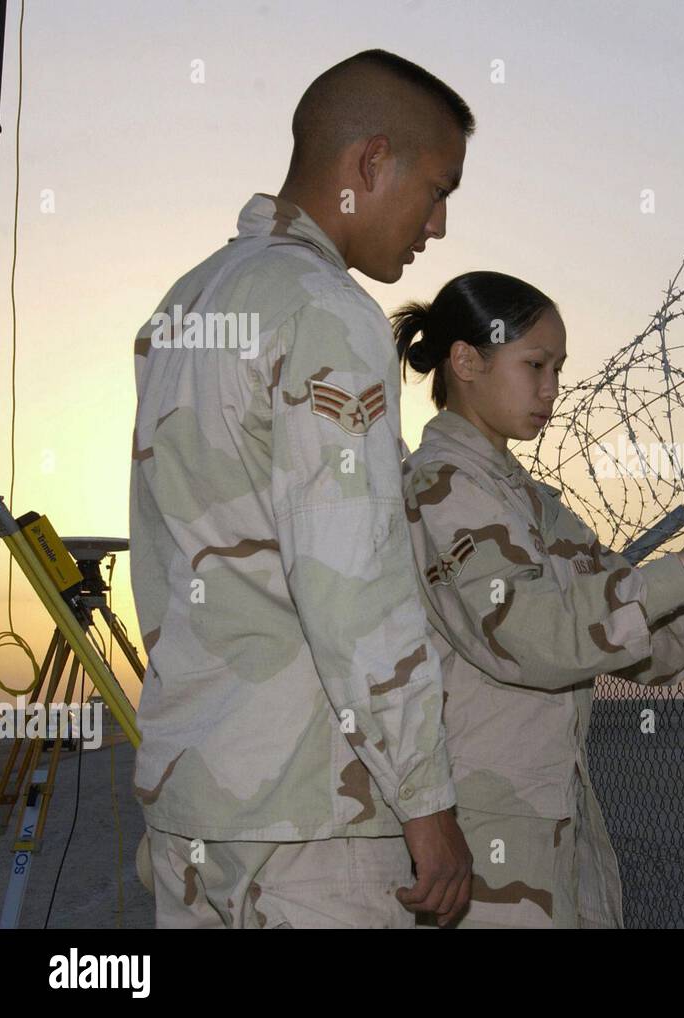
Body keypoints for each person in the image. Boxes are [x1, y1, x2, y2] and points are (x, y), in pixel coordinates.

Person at [129, 50, 475, 928]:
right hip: (307, 825)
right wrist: (427, 801)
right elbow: (351, 583)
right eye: (438, 189)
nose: (436, 226)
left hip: (195, 806)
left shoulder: (189, 301)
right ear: (370, 164)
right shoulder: (323, 308)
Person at [396, 271, 684, 928]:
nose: (552, 388)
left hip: (558, 823)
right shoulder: (442, 490)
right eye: (534, 364)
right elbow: (536, 640)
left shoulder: (532, 506)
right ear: (466, 360)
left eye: (557, 368)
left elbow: (647, 654)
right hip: (485, 842)